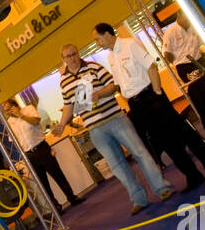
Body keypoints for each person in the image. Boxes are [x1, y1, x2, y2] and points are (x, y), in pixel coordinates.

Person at [94, 24, 205, 194]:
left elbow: (151, 67)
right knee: (167, 143)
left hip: (151, 96)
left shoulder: (130, 44)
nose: (97, 43)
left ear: (107, 34)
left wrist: (157, 94)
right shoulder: (112, 57)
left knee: (183, 133)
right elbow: (120, 84)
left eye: (97, 39)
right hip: (137, 105)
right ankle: (192, 175)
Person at [57, 44, 175, 215]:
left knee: (140, 152)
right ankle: (138, 199)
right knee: (117, 165)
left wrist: (100, 94)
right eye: (68, 56)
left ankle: (162, 187)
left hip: (115, 119)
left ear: (78, 53)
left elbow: (114, 86)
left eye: (74, 54)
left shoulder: (94, 66)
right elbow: (68, 105)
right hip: (94, 129)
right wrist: (61, 124)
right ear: (63, 59)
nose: (72, 58)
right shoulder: (63, 81)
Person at [3, 99, 84, 212]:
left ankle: (72, 198)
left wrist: (21, 115)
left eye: (9, 109)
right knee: (43, 183)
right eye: (6, 111)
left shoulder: (28, 109)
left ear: (15, 105)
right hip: (29, 154)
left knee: (57, 175)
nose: (8, 112)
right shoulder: (10, 122)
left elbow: (36, 122)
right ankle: (56, 207)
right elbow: (13, 140)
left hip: (41, 148)